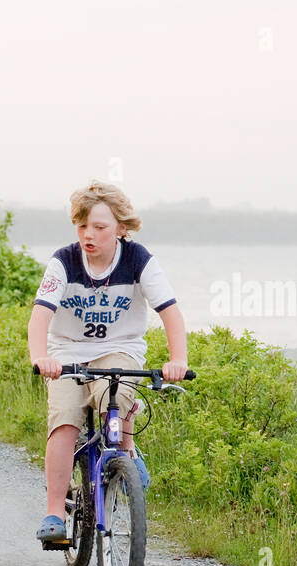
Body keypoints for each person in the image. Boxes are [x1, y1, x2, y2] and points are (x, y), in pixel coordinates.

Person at [27, 180, 189, 544]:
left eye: (99, 227)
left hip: (120, 349)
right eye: (83, 226)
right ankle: (55, 510)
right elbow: (40, 315)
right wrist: (42, 357)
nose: (89, 234)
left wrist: (178, 359)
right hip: (67, 353)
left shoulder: (138, 259)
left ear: (121, 228)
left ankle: (126, 453)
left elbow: (170, 313)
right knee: (65, 421)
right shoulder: (63, 262)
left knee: (115, 400)